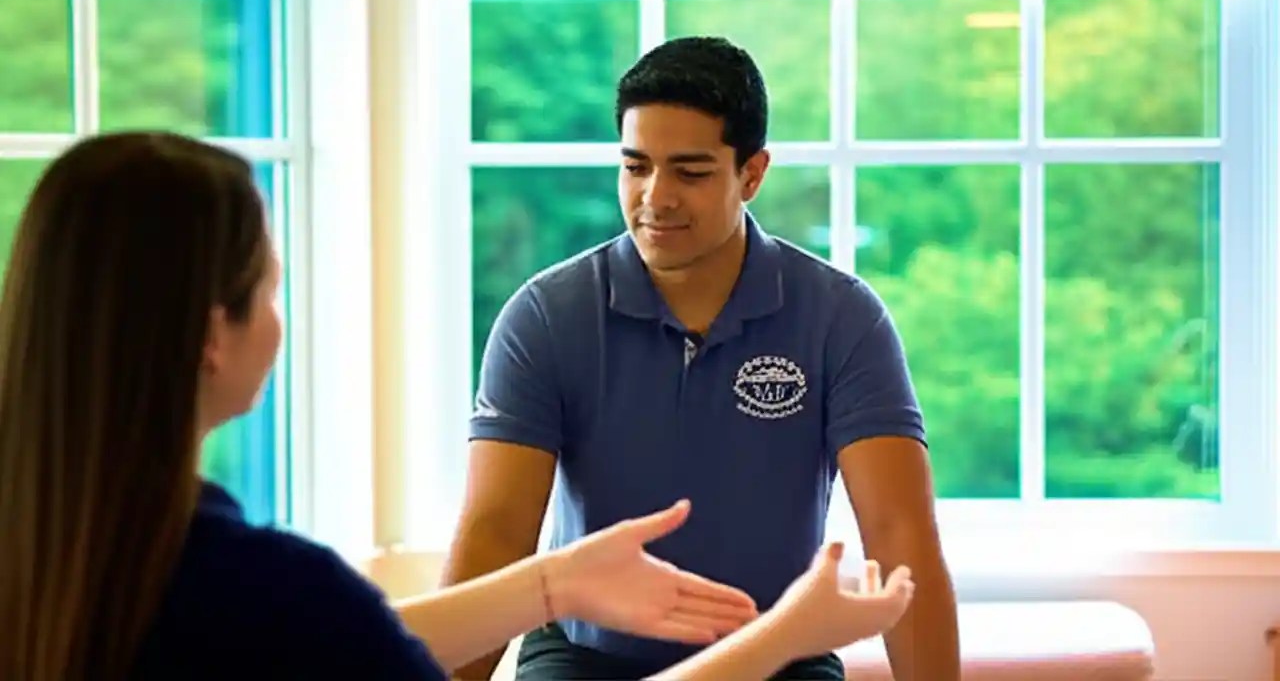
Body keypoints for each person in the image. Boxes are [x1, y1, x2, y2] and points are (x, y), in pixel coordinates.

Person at [0, 131, 915, 681]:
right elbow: (311, 636)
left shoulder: (79, 564)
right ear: (212, 334)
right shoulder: (265, 593)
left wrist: (549, 584)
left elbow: (337, 646)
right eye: (270, 289)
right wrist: (787, 634)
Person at [444, 35, 962, 681]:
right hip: (586, 659)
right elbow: (495, 532)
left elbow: (898, 531)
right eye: (635, 167)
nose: (655, 198)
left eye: (689, 172)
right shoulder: (546, 316)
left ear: (752, 173)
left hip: (781, 660)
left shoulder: (842, 317)